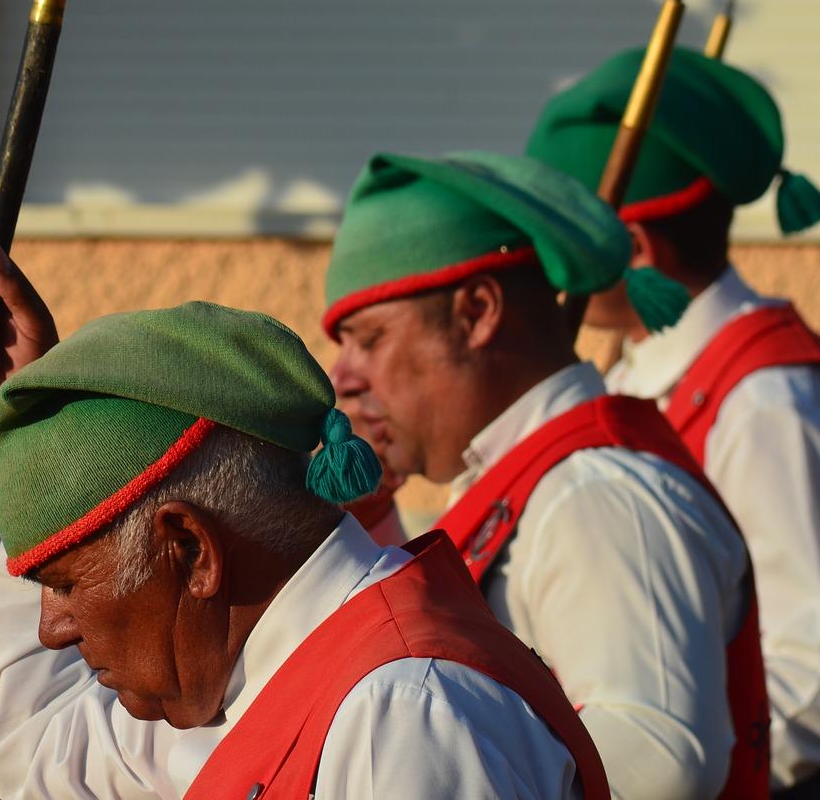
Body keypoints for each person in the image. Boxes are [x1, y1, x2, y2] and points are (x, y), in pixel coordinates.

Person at [0, 232, 608, 799]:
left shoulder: (397, 715)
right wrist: (14, 439)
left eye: (66, 584)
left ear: (192, 550)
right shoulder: (252, 684)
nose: (51, 629)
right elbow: (38, 746)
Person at [323, 150, 768, 799]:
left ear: (477, 312)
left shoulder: (593, 493)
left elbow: (662, 760)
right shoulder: (533, 481)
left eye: (369, 339)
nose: (343, 377)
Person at [527, 46, 820, 799]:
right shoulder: (639, 371)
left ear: (633, 250)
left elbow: (814, 691)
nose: (540, 266)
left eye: (556, 240)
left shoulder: (771, 405)